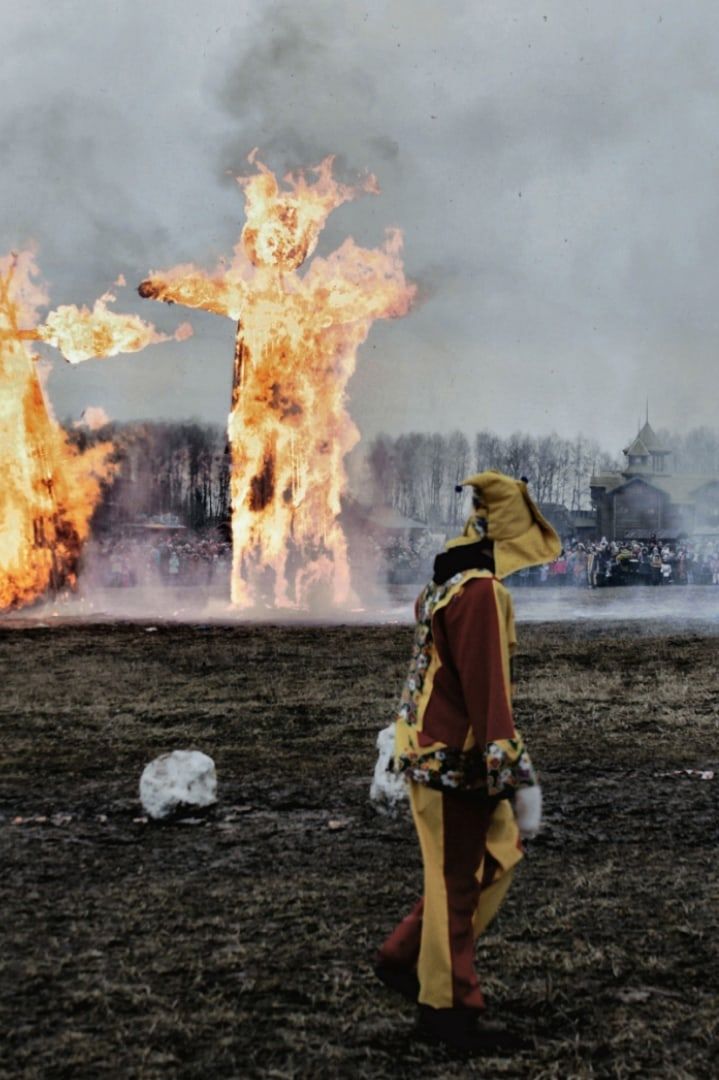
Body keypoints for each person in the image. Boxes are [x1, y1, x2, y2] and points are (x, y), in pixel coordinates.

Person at [373, 470, 560, 1052]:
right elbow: (487, 692)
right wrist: (517, 776)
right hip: (457, 763)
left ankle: (406, 956)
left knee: (490, 857)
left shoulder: (446, 582)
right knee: (459, 884)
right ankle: (448, 1011)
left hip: (435, 755)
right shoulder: (480, 592)